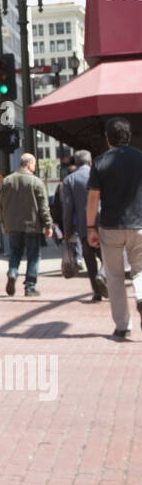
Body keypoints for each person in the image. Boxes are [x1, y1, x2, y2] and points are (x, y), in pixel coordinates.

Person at [86, 117, 142, 340]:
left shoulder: (100, 162)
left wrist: (91, 227)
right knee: (140, 270)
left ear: (108, 138)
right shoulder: (141, 158)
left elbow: (92, 199)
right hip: (140, 224)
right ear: (128, 136)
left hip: (111, 226)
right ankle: (141, 297)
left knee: (115, 276)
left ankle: (122, 325)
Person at [0, 153, 52, 295]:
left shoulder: (7, 181)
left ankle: (13, 272)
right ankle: (30, 286)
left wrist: (5, 224)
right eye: (34, 163)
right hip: (32, 226)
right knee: (33, 255)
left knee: (15, 252)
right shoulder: (36, 182)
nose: (35, 166)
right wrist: (48, 225)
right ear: (28, 164)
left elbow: (1, 205)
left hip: (13, 225)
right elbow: (43, 207)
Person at [61, 150, 108, 300]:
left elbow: (68, 209)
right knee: (107, 256)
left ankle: (96, 292)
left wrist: (67, 232)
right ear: (90, 162)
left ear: (75, 163)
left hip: (83, 226)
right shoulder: (101, 174)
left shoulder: (69, 180)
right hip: (104, 222)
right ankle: (102, 275)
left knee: (89, 260)